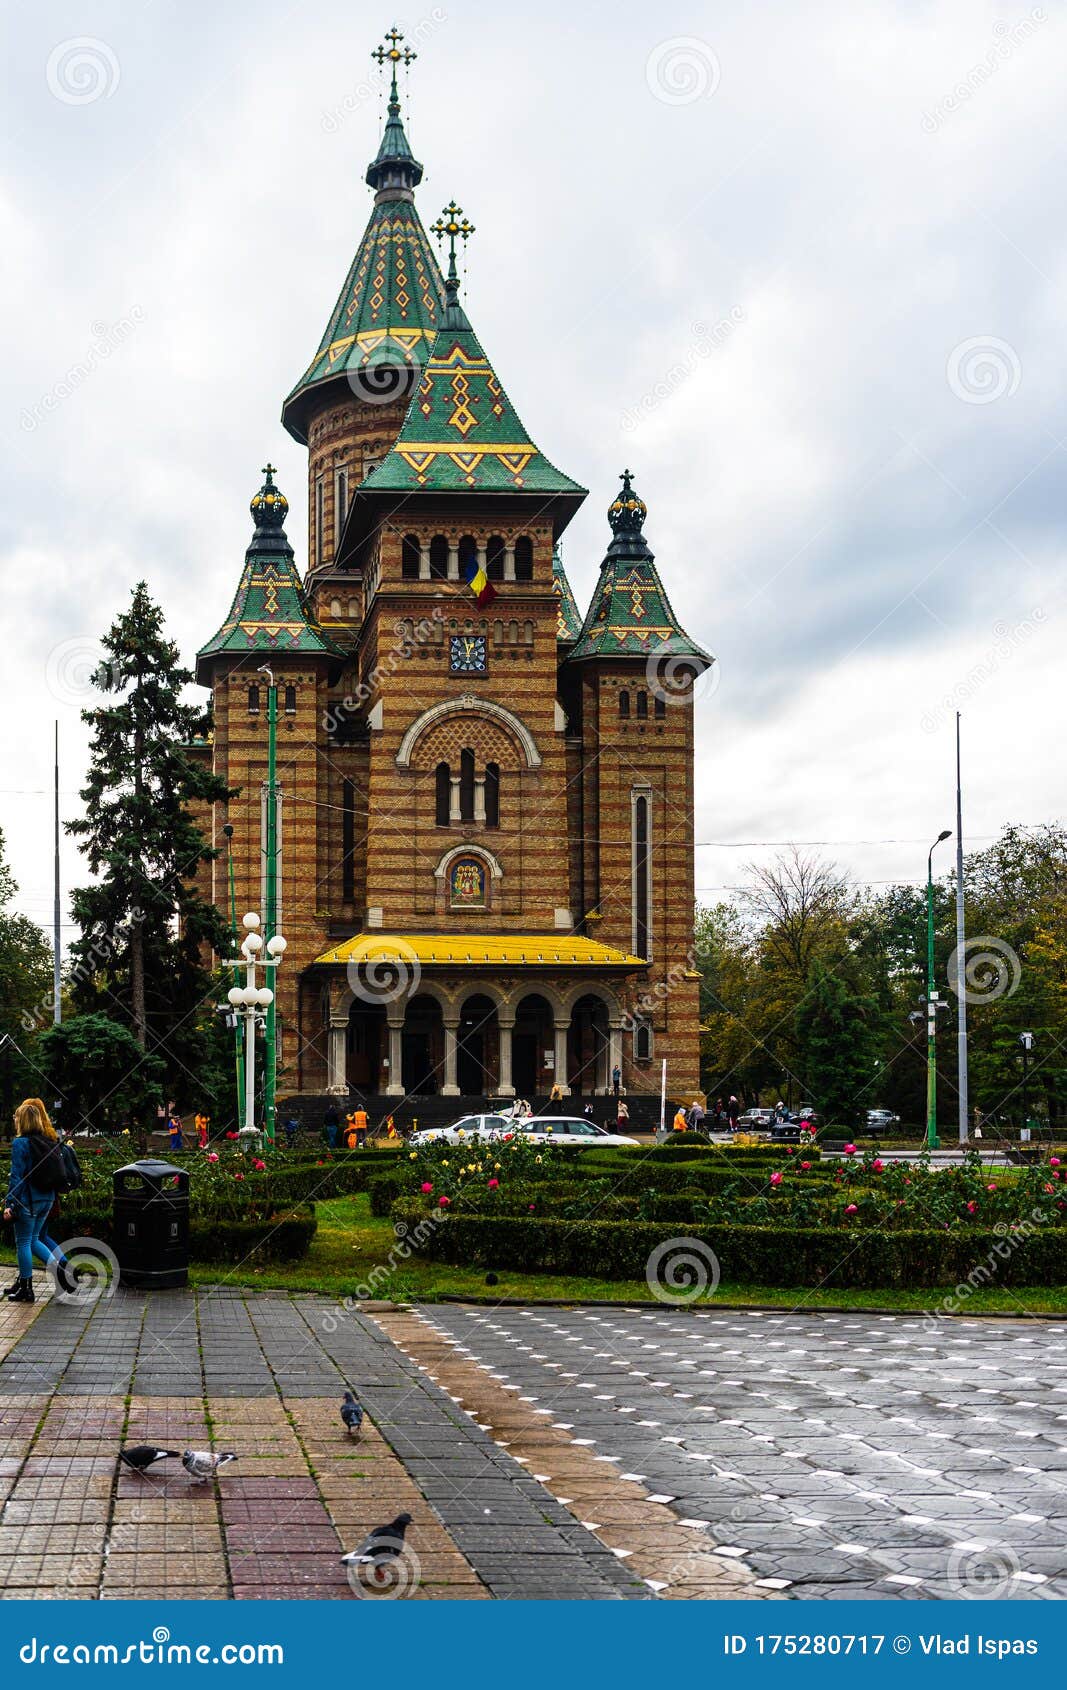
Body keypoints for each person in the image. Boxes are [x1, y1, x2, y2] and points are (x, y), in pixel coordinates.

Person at [3, 1099, 78, 1301]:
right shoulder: (49, 1140)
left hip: (27, 1201)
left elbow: (17, 1177)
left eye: (17, 1117)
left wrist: (9, 1204)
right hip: (47, 1199)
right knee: (34, 1239)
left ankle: (27, 1289)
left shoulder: (21, 1143)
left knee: (24, 1242)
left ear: (23, 1121)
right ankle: (62, 1271)